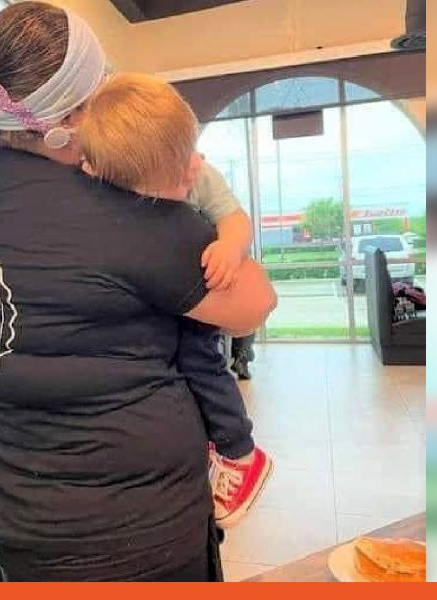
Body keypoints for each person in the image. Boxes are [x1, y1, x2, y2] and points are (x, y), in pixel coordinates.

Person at [0, 2, 275, 581]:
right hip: (135, 536)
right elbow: (252, 307)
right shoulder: (130, 212)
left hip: (4, 518)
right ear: (78, 111)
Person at [76, 73, 273, 529]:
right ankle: (207, 443)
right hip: (159, 295)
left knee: (202, 363)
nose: (174, 194)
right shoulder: (112, 174)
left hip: (205, 285)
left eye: (176, 182)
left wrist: (229, 247)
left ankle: (240, 451)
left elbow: (237, 219)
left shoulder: (199, 171)